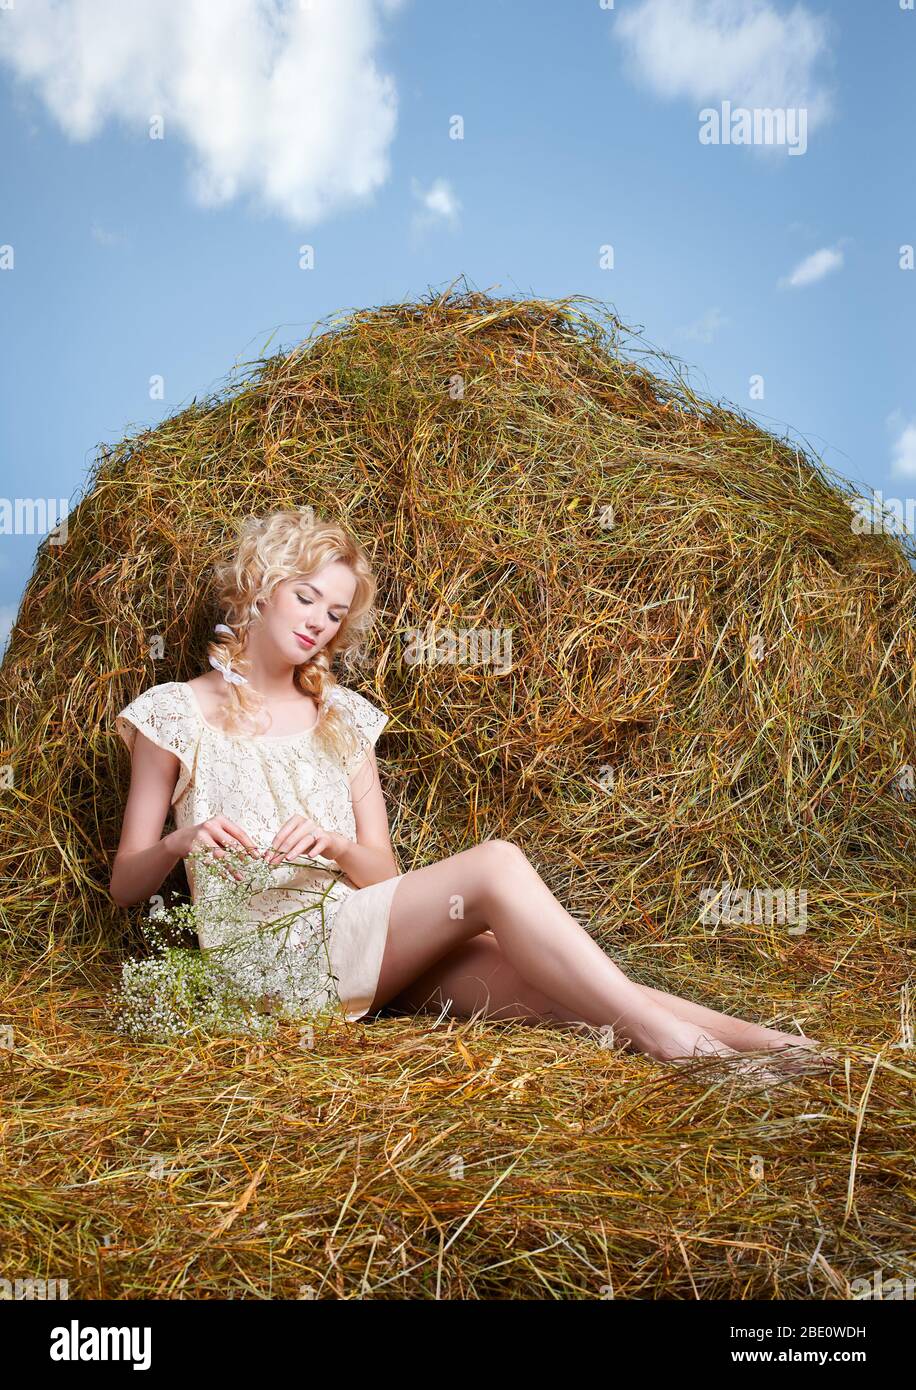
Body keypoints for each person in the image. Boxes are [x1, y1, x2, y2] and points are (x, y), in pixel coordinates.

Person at [110, 507, 824, 1079]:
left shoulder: (345, 719)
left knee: (538, 976)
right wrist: (183, 839)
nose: (317, 621)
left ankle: (777, 1048)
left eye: (334, 612)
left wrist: (332, 845)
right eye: (306, 597)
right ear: (262, 589)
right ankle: (669, 1044)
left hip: (359, 938)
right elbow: (124, 884)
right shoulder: (175, 712)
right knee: (494, 865)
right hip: (265, 968)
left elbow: (383, 875)